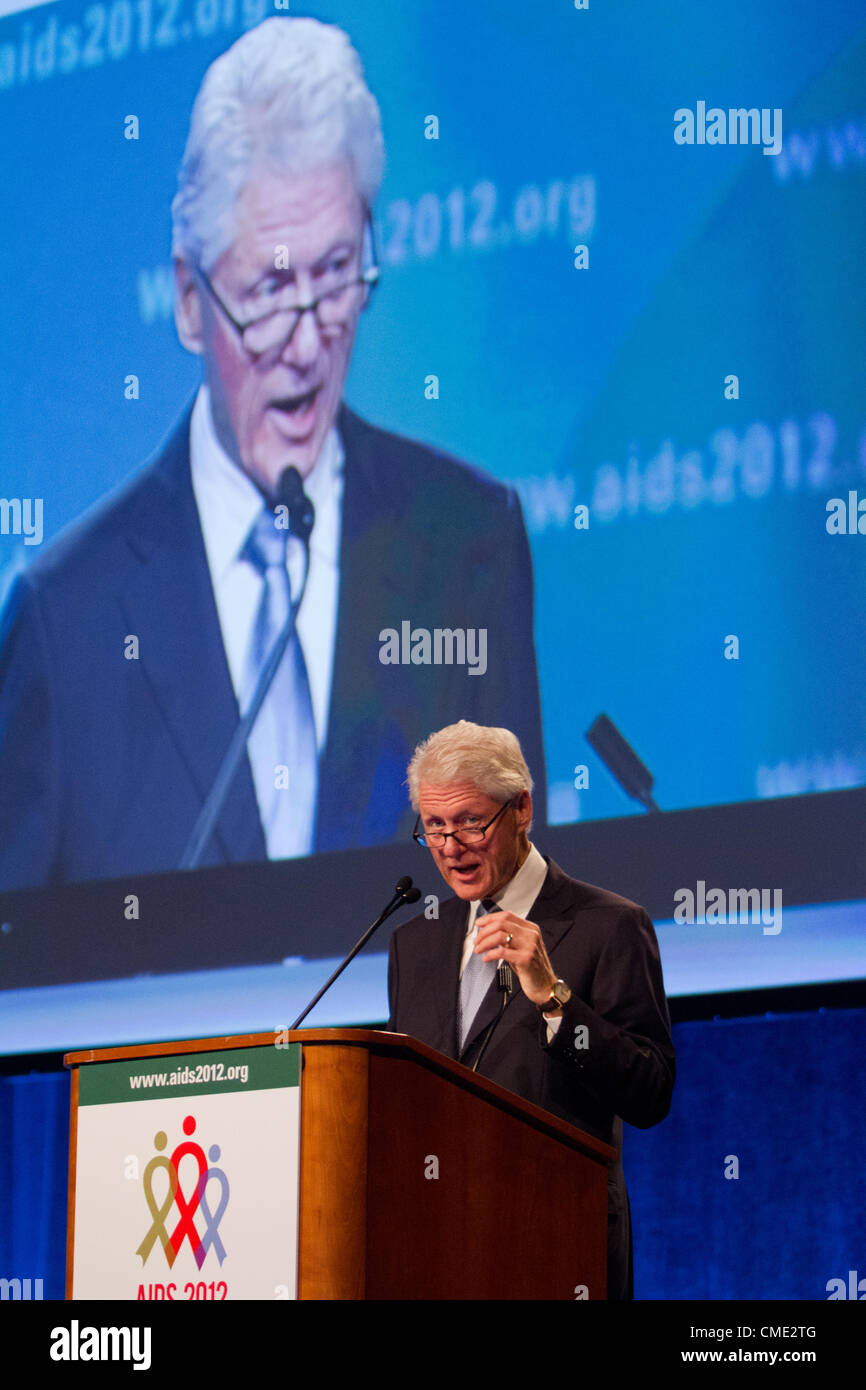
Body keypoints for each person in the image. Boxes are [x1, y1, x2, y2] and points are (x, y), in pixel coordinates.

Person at [0, 17, 543, 891]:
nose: (307, 342)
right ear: (188, 299)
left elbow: (520, 905)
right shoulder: (67, 621)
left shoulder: (465, 542)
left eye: (335, 277)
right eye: (270, 290)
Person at [387, 720, 675, 1300]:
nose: (449, 847)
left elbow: (650, 1091)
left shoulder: (609, 926)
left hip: (557, 1247)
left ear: (521, 809)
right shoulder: (413, 945)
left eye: (470, 822)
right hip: (438, 1253)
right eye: (434, 827)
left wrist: (553, 998)